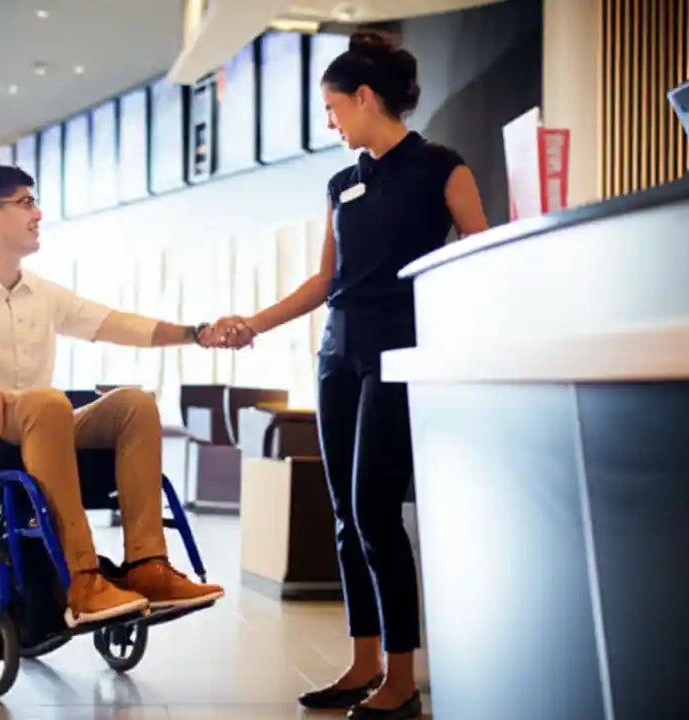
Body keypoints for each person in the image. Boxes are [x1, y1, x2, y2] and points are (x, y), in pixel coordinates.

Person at [212, 30, 488, 720]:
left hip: (400, 350)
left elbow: (478, 258)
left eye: (333, 109)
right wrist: (257, 321)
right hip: (337, 352)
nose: (329, 123)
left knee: (373, 510)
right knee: (343, 516)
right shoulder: (342, 182)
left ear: (366, 98)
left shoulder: (442, 168)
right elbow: (325, 279)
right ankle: (362, 660)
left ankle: (401, 675)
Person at [0, 165, 226, 628]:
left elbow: (118, 324)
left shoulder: (42, 293)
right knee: (47, 401)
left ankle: (148, 567)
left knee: (133, 403)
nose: (37, 213)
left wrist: (197, 333)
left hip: (43, 421)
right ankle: (81, 580)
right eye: (24, 203)